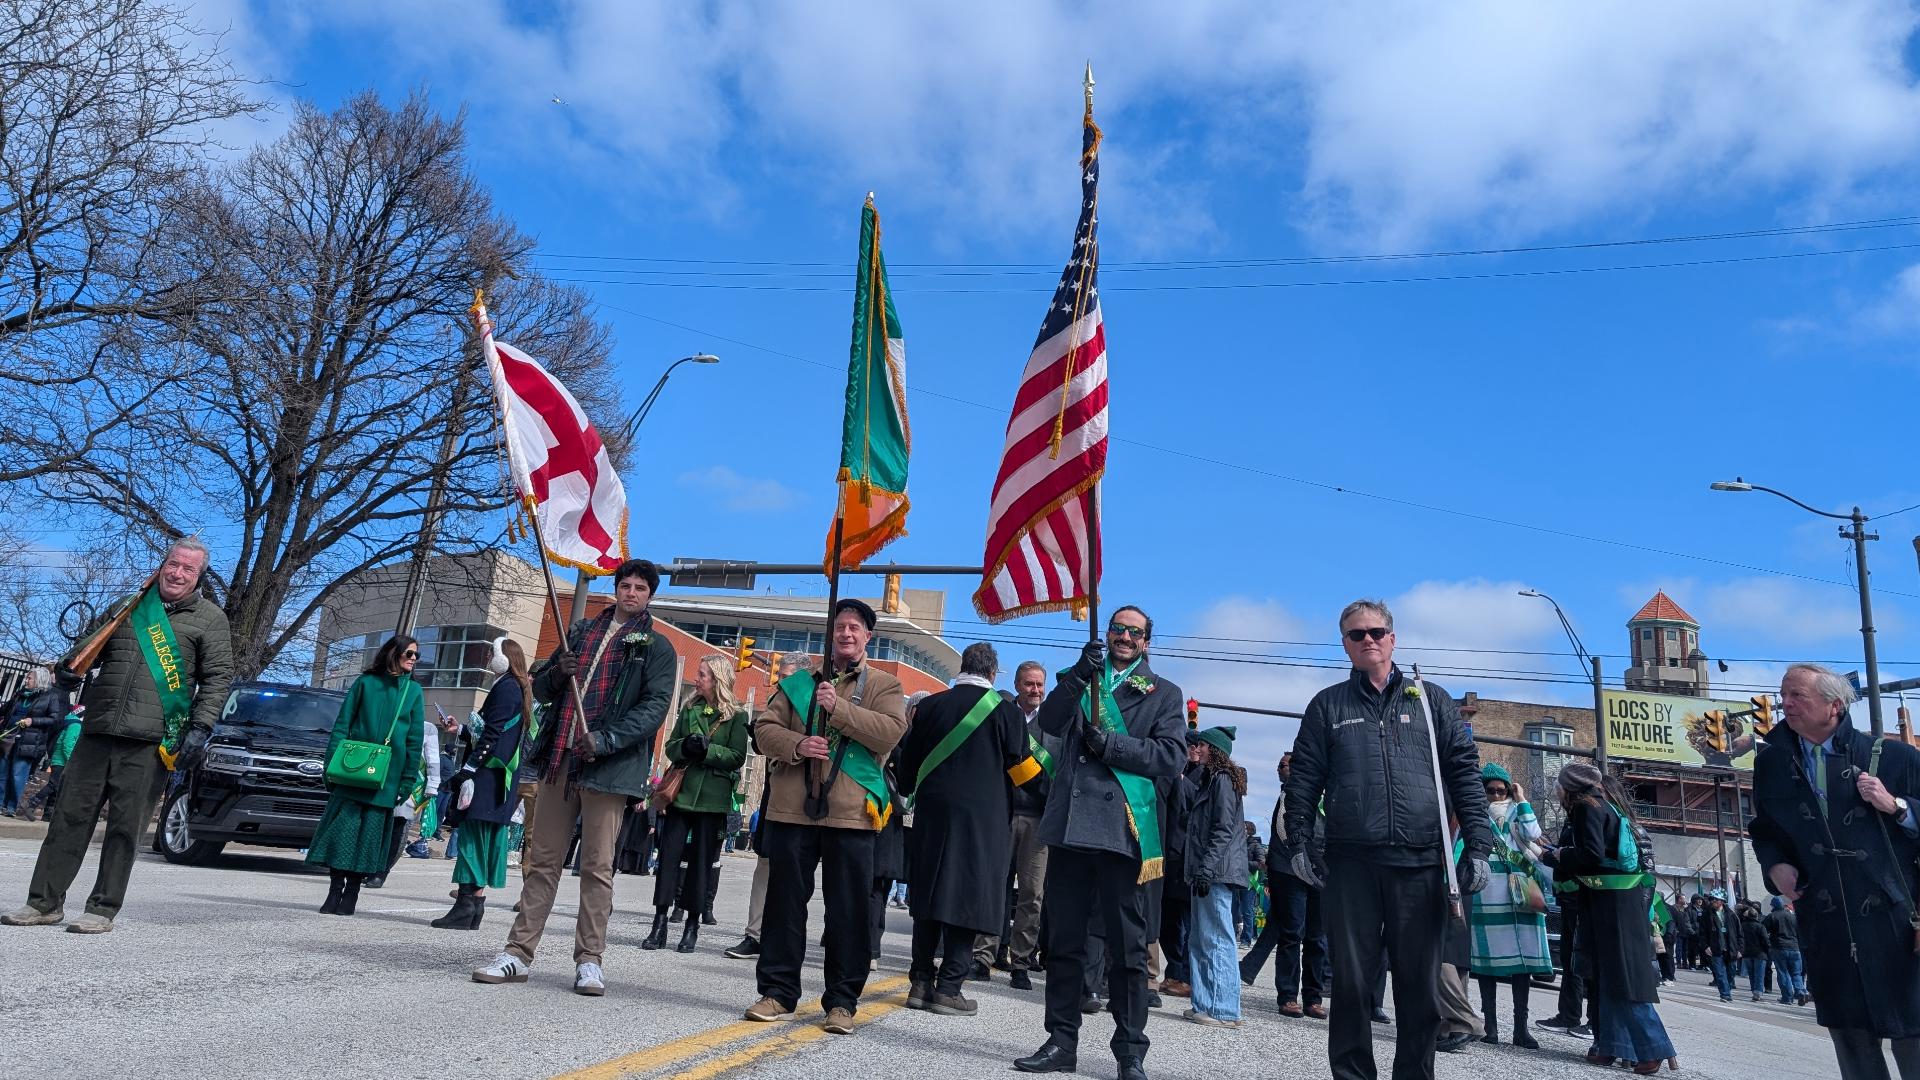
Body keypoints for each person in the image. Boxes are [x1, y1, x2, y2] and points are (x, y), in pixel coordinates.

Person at [1284, 599, 1492, 1080]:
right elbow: (1304, 782)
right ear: (1346, 646)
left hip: (1421, 863)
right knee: (1353, 987)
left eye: (1376, 631)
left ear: (1393, 639)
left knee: (1420, 989)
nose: (1368, 640)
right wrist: (1299, 842)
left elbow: (1465, 774)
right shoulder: (1327, 706)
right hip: (1350, 864)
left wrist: (1478, 845)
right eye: (1357, 635)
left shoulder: (1432, 700)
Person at [5, 539, 234, 933]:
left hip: (150, 741)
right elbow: (89, 648)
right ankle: (43, 902)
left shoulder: (211, 619)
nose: (177, 573)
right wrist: (68, 668)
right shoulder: (129, 606)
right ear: (163, 565)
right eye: (174, 564)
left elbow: (217, 680)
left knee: (126, 829)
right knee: (68, 820)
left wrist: (200, 727)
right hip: (97, 730)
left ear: (199, 578)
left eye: (188, 570)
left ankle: (102, 908)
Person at [472, 558, 676, 996]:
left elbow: (654, 709)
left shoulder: (656, 648)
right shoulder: (580, 633)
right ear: (617, 588)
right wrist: (555, 673)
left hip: (609, 766)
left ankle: (589, 960)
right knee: (543, 860)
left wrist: (605, 739)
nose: (631, 593)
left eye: (641, 587)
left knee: (597, 867)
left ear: (649, 595)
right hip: (559, 758)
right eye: (626, 585)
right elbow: (539, 691)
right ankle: (518, 953)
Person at [1013, 605, 1186, 1080]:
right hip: (1071, 829)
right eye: (1118, 628)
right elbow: (1046, 722)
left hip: (1122, 833)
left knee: (1127, 951)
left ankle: (1130, 1052)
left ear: (1147, 641)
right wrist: (1076, 678)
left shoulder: (1164, 693)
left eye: (1134, 632)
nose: (1124, 637)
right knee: (1065, 945)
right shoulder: (1081, 678)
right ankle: (1060, 1042)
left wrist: (1111, 747)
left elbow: (1171, 756)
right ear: (1107, 633)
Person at [743, 598, 908, 1035]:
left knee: (848, 913)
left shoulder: (885, 686)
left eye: (854, 628)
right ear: (830, 634)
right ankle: (778, 992)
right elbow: (763, 730)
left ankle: (841, 1002)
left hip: (851, 815)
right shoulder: (799, 683)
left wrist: (839, 709)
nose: (846, 634)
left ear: (868, 636)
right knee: (783, 907)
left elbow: (891, 731)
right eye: (839, 627)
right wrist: (797, 745)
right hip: (793, 810)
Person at [1750, 663, 1920, 1080]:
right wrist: (1775, 867)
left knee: (1912, 1034)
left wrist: (1897, 807)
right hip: (1825, 921)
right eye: (1783, 695)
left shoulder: (1896, 757)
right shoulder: (1771, 763)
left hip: (1897, 923)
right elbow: (1764, 830)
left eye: (1797, 696)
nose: (1784, 704)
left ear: (1835, 706)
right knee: (1851, 1037)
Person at [896, 642, 1041, 1015]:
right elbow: (1022, 769)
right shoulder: (1005, 713)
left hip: (932, 818)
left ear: (963, 667)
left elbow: (907, 766)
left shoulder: (929, 707)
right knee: (968, 900)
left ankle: (920, 982)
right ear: (993, 674)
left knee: (927, 898)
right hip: (984, 821)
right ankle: (949, 988)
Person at [1539, 762, 1676, 1075]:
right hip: (1611, 902)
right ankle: (1612, 1046)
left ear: (1568, 787)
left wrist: (1556, 855)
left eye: (1558, 786)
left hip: (1612, 903)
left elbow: (1591, 856)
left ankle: (1651, 1049)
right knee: (1609, 979)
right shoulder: (1607, 806)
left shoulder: (1587, 809)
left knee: (1624, 978)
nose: (1556, 792)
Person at [305, 634, 426, 915]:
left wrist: (408, 780)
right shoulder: (364, 683)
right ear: (392, 653)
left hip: (386, 777)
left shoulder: (413, 692)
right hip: (350, 770)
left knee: (368, 840)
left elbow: (414, 739)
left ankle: (353, 893)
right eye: (408, 653)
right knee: (341, 836)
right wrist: (329, 768)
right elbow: (342, 725)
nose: (413, 659)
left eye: (416, 655)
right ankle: (335, 890)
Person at [645, 654, 748, 954]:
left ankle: (692, 925)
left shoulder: (737, 716)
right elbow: (671, 745)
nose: (698, 677)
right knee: (668, 859)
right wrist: (685, 746)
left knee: (702, 864)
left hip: (712, 799)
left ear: (717, 679)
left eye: (703, 674)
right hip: (682, 794)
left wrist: (707, 750)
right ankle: (660, 921)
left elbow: (737, 757)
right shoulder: (689, 708)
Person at [432, 638, 532, 930]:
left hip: (488, 777)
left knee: (474, 839)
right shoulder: (518, 688)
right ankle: (473, 906)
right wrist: (460, 729)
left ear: (503, 657)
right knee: (486, 841)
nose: (488, 657)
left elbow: (491, 735)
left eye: (492, 652)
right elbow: (494, 733)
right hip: (502, 779)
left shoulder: (506, 687)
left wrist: (469, 768)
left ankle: (465, 907)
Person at [972, 659, 1059, 992]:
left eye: (1039, 685)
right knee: (993, 887)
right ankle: (982, 957)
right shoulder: (1000, 716)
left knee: (1032, 894)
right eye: (1028, 684)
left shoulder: (1055, 726)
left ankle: (1021, 961)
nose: (1034, 690)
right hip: (1002, 814)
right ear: (1018, 685)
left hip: (1039, 820)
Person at [726, 652, 814, 962]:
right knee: (764, 865)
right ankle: (755, 935)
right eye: (781, 677)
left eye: (788, 678)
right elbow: (762, 742)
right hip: (775, 794)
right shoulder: (777, 705)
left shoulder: (814, 704)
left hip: (809, 798)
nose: (781, 684)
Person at [1468, 763, 1551, 1049]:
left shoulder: (1518, 811)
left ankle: (1521, 1029)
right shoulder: (1474, 812)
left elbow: (1533, 833)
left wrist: (1523, 799)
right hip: (1488, 892)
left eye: (1500, 790)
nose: (1495, 795)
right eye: (1489, 790)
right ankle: (1490, 1025)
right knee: (1487, 964)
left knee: (1523, 964)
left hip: (1521, 893)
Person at [1181, 725, 1248, 1029]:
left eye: (1203, 745)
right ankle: (1204, 1003)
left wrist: (1206, 867)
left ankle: (1224, 1009)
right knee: (1200, 939)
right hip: (1204, 870)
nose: (1198, 749)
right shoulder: (1210, 781)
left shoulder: (1222, 781)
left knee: (1218, 939)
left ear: (1215, 749)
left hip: (1215, 872)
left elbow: (1222, 830)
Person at [24, 706, 84, 822]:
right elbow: (67, 744)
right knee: (53, 785)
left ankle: (48, 814)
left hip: (58, 759)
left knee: (57, 787)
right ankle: (31, 804)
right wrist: (71, 761)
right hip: (62, 761)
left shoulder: (68, 722)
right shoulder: (76, 725)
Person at [1700, 889, 1740, 1002]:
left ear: (1721, 901)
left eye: (1715, 899)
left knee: (1731, 972)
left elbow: (1739, 933)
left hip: (1731, 948)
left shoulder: (1731, 915)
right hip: (1716, 948)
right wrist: (1706, 946)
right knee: (1719, 972)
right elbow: (1702, 933)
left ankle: (1727, 988)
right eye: (1711, 899)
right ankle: (1725, 994)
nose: (1712, 901)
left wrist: (1740, 949)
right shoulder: (1707, 915)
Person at [1765, 897, 1806, 1006]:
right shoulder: (1792, 917)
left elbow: (1764, 930)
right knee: (1796, 972)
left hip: (1779, 948)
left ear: (1773, 906)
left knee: (1783, 972)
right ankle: (1800, 991)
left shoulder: (1772, 916)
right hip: (1794, 947)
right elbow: (1800, 931)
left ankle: (1787, 997)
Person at [1739, 901, 1772, 1003]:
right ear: (1756, 916)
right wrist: (1768, 951)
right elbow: (1766, 941)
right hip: (1760, 953)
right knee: (1759, 974)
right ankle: (1758, 993)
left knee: (1752, 974)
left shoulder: (1742, 926)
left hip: (1747, 953)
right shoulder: (1760, 927)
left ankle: (1754, 991)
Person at [1673, 893, 1699, 973]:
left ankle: (1685, 962)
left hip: (1686, 931)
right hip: (1678, 931)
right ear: (1679, 899)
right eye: (1683, 899)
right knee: (1679, 948)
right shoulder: (1674, 908)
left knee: (1685, 949)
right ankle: (1679, 963)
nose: (1685, 900)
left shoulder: (1687, 908)